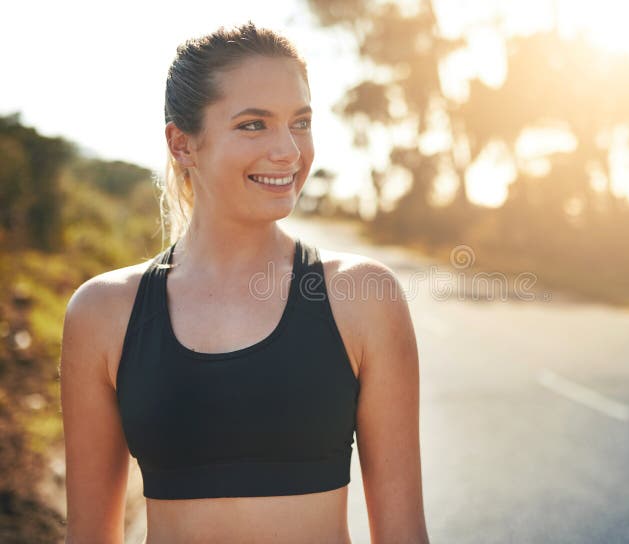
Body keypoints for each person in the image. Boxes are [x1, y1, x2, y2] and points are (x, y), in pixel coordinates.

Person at [59, 22, 429, 543]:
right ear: (182, 144)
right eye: (254, 125)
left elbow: (403, 535)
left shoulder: (363, 297)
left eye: (300, 123)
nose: (289, 151)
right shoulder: (102, 313)